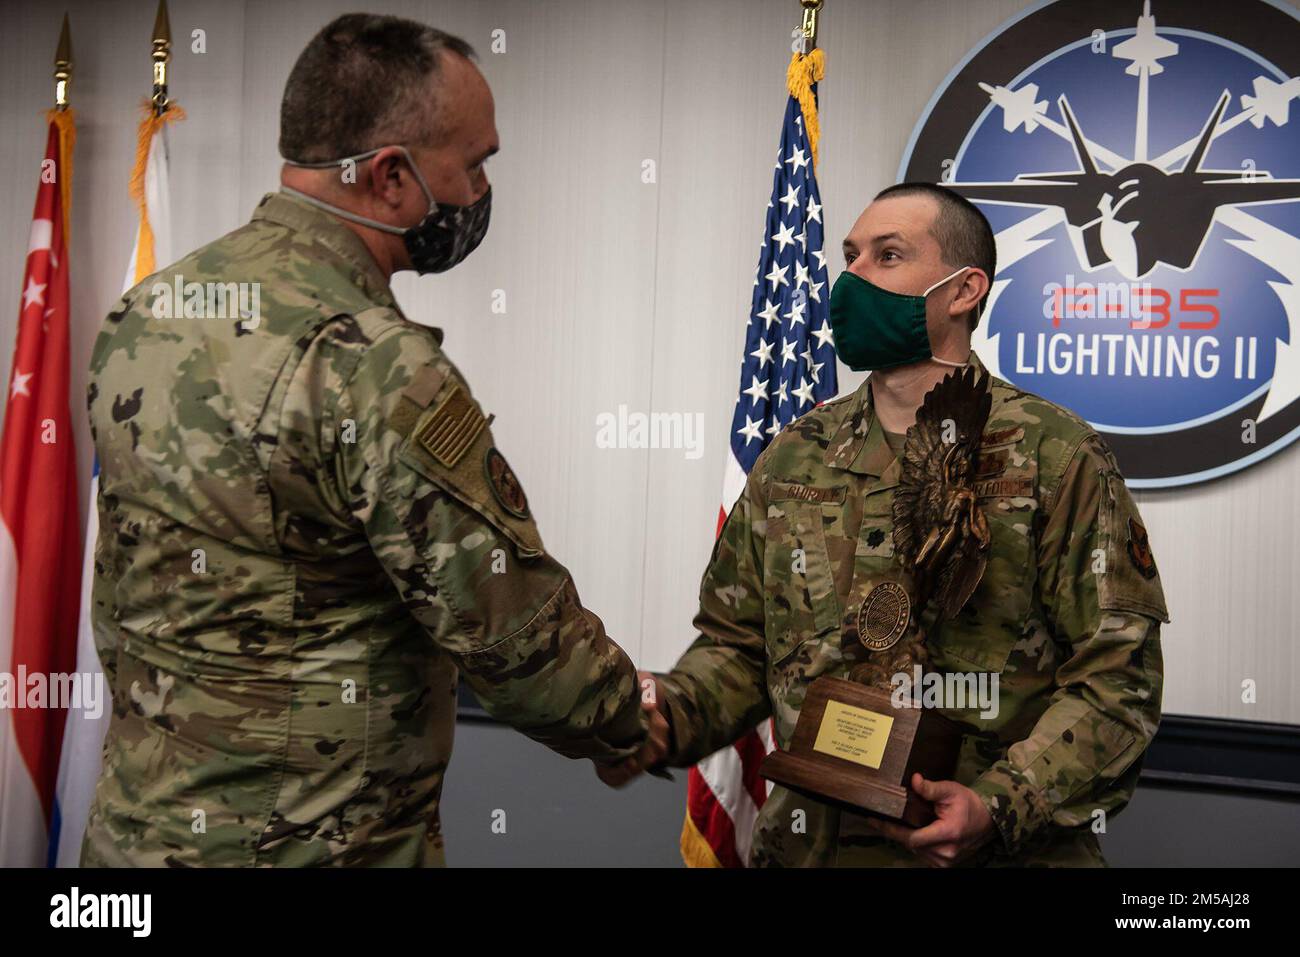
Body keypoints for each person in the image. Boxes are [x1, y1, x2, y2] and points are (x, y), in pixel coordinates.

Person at [83, 13, 665, 868]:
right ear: (391, 177)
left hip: (130, 849)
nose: (478, 192)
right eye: (474, 165)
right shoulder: (373, 362)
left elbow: (122, 587)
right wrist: (627, 721)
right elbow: (509, 627)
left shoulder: (146, 313)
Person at [606, 183, 1168, 867]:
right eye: (851, 255)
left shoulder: (1055, 454)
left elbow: (1118, 682)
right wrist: (667, 715)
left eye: (888, 255)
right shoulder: (795, 453)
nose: (854, 277)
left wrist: (1001, 802)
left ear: (964, 290)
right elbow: (739, 649)